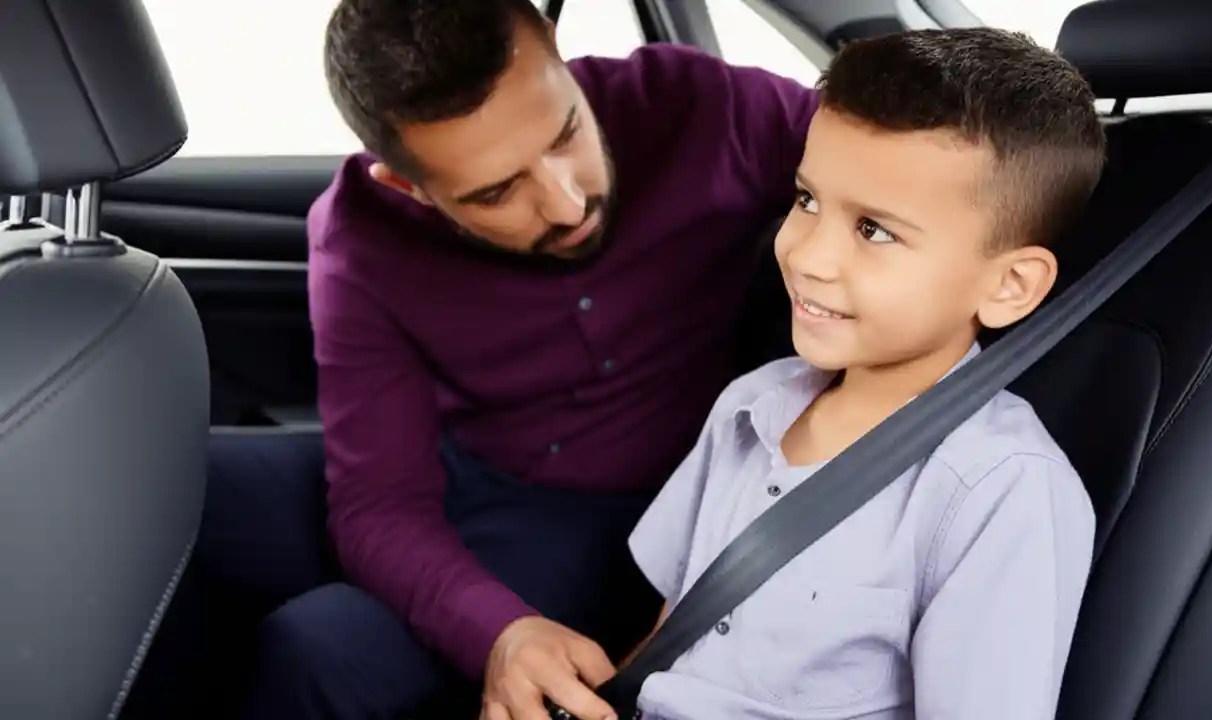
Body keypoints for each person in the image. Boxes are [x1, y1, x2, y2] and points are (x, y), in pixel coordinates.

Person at [175, 1, 819, 720]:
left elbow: (903, 164)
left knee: (317, 648)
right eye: (497, 191)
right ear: (408, 187)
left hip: (635, 509)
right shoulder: (360, 237)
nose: (567, 201)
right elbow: (380, 503)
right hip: (468, 469)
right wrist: (501, 635)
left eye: (566, 131)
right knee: (148, 483)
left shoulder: (701, 103)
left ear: (553, 45)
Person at [624, 28, 1105, 719]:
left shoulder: (1000, 488)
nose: (807, 255)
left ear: (1008, 287)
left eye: (874, 230)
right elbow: (670, 639)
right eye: (806, 199)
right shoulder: (751, 405)